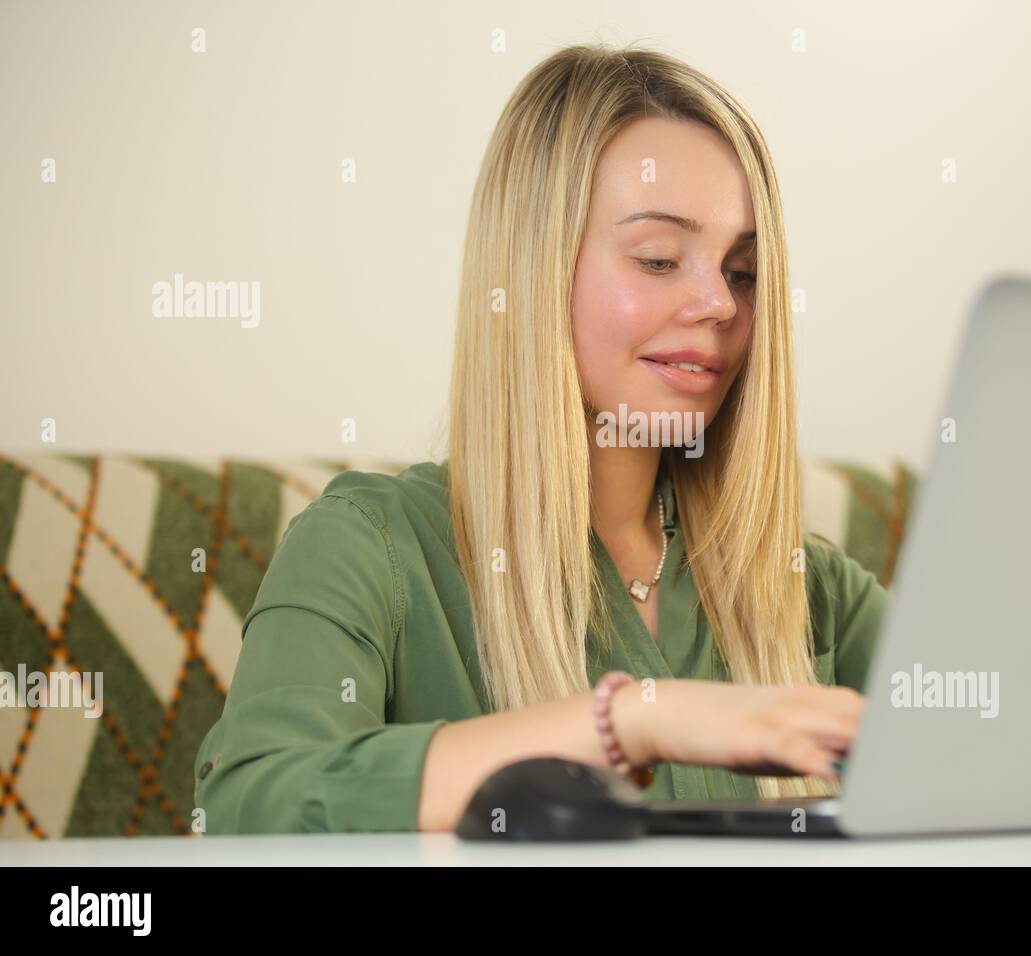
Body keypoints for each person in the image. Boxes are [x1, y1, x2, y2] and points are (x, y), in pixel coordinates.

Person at [194, 43, 890, 834]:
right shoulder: (370, 548)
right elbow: (246, 805)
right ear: (532, 271)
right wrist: (633, 722)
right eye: (660, 258)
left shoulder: (806, 586)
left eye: (743, 271)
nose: (719, 305)